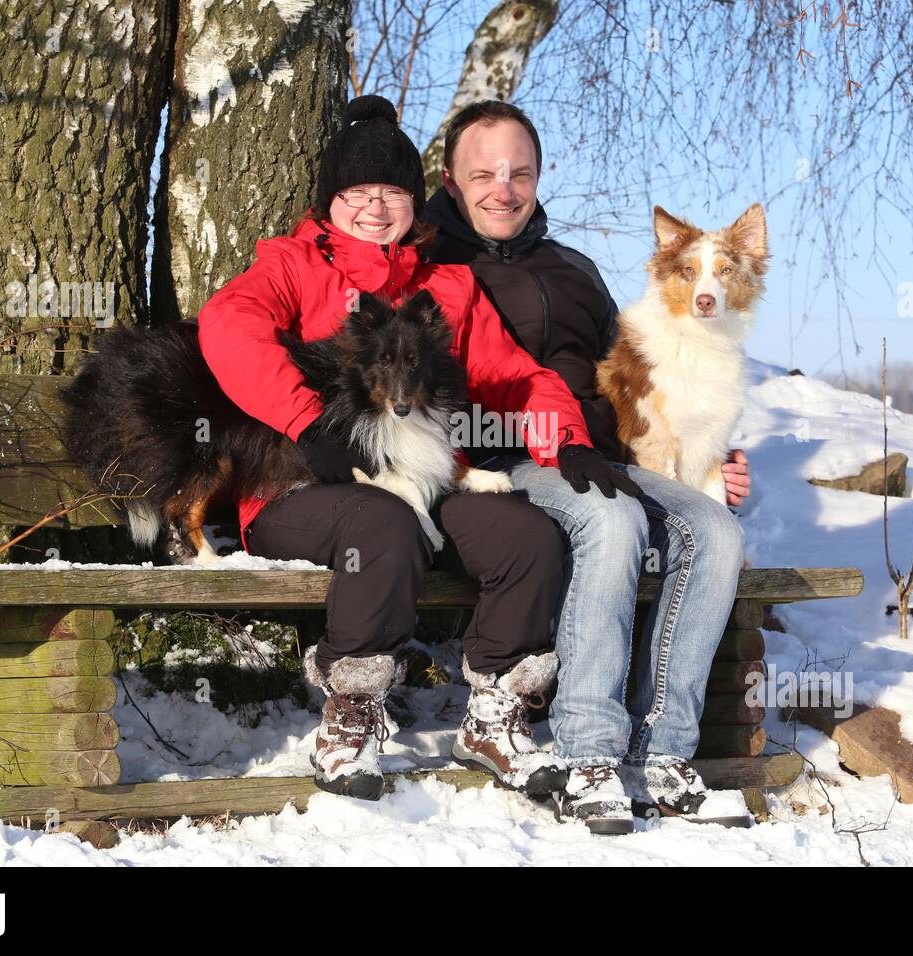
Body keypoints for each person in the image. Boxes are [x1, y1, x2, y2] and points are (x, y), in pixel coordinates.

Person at [196, 95, 625, 802]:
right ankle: (353, 718)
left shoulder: (445, 288)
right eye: (357, 191)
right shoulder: (291, 266)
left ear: (414, 202)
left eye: (393, 190)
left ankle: (494, 711)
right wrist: (308, 423)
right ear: (332, 199)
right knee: (381, 523)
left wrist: (568, 439)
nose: (374, 205)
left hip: (421, 479)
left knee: (525, 532)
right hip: (299, 487)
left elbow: (514, 376)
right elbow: (226, 329)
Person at [421, 100, 754, 833]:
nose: (503, 188)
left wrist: (704, 461)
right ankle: (589, 755)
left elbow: (641, 375)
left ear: (537, 178)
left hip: (597, 454)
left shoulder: (573, 268)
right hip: (503, 457)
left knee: (718, 534)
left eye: (519, 173)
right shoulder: (430, 266)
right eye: (483, 174)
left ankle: (662, 753)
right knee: (611, 518)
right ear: (450, 178)